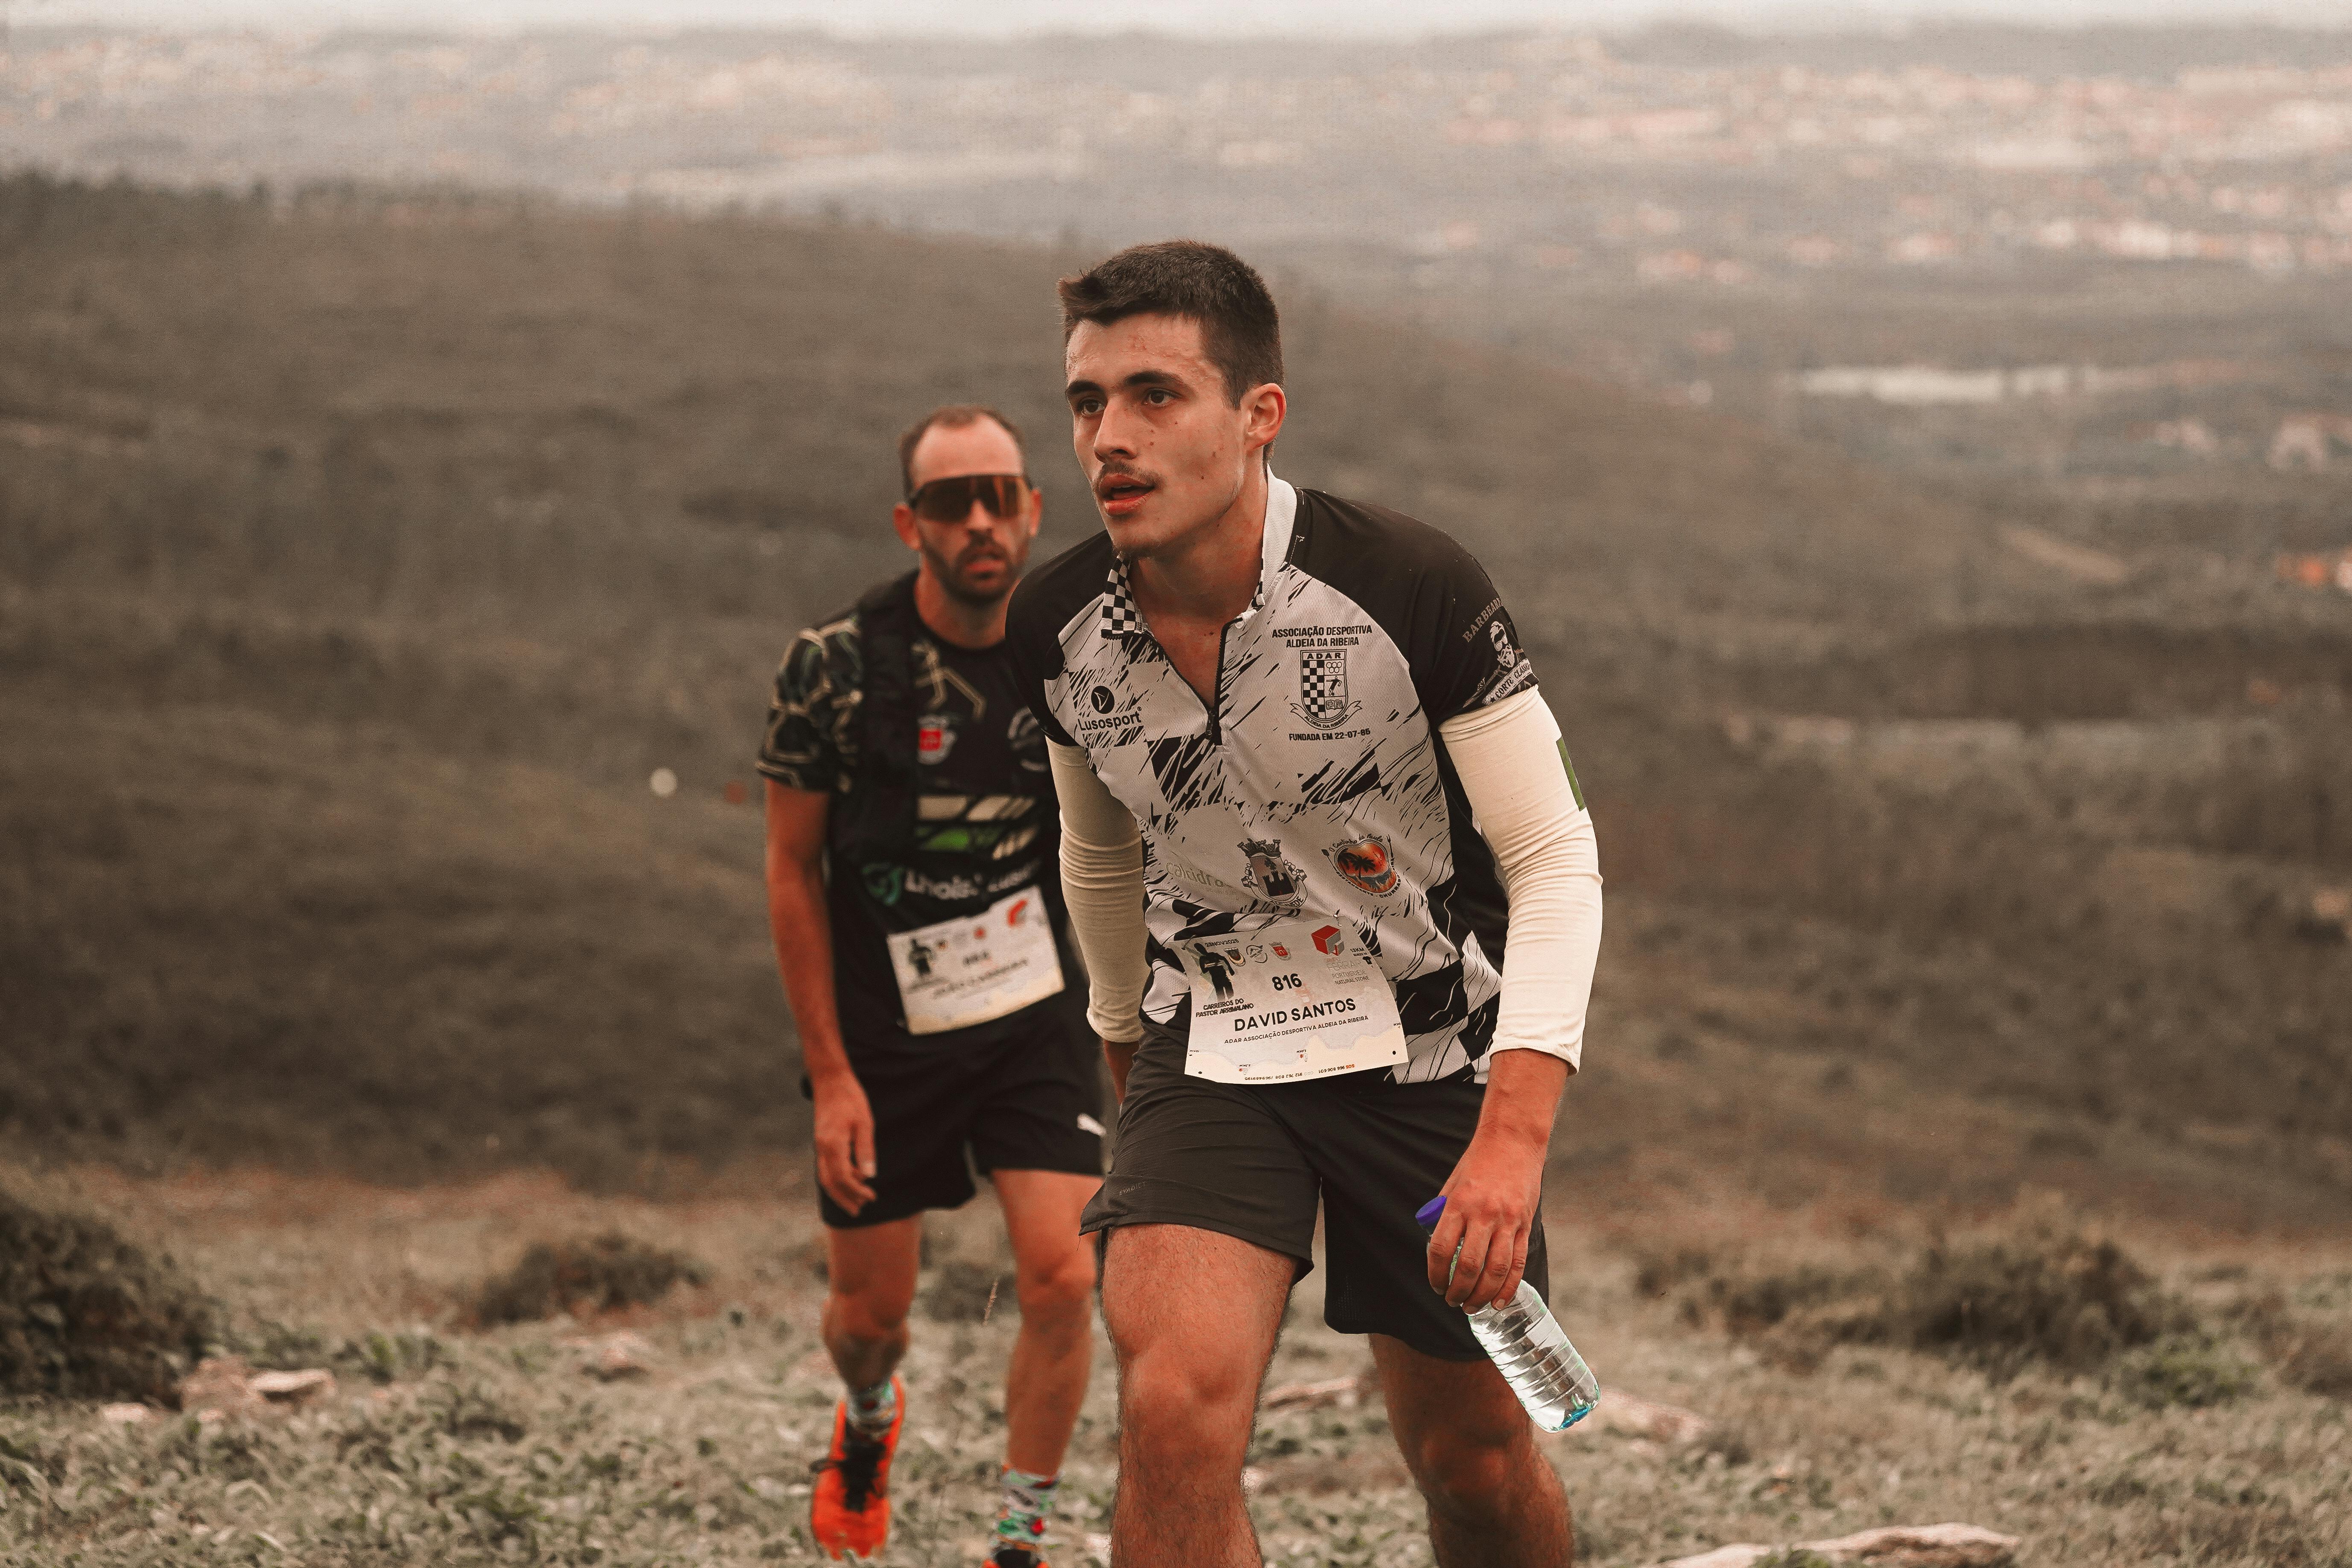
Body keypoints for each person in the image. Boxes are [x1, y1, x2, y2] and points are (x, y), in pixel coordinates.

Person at [1003, 243, 1604, 1568]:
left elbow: (1554, 858)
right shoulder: (1055, 627)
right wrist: (1124, 1052)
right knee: (1170, 1421)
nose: (1110, 436)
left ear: (1257, 415)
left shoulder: (1410, 584)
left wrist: (1512, 1138)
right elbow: (1096, 854)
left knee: (1476, 1465)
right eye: (1087, 402)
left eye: (1155, 395)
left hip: (1433, 1056)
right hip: (1211, 1045)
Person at [759, 405, 1104, 1568]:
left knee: (1063, 1273)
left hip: (1031, 1013)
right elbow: (791, 871)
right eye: (950, 502)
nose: (979, 522)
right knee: (872, 1322)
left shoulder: (1075, 651)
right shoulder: (835, 670)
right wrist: (829, 1080)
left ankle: (1018, 1535)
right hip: (882, 1029)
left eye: (998, 494)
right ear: (911, 524)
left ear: (1032, 508)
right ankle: (864, 1424)